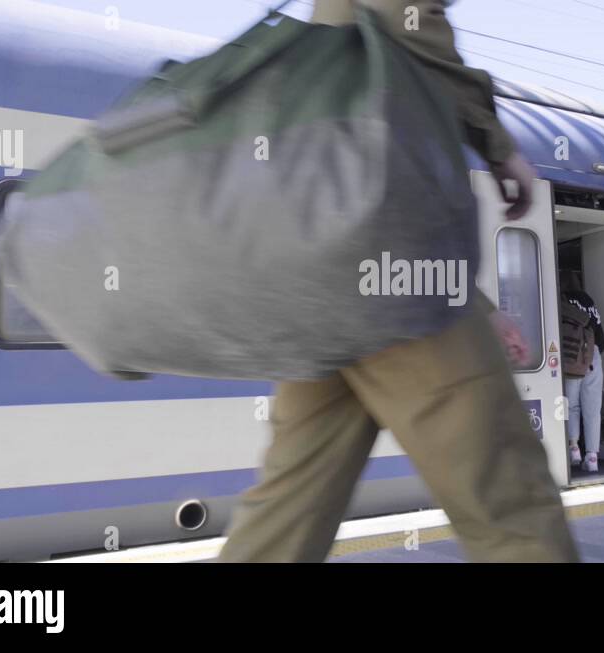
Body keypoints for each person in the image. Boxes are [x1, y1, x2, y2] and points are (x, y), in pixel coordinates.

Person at [218, 0, 579, 563]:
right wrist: (499, 146)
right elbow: (413, 31)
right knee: (510, 496)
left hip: (318, 268)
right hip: (391, 264)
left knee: (287, 507)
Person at [559, 272, 604, 472]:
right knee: (592, 409)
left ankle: (574, 448)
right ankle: (592, 457)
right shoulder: (588, 301)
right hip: (592, 355)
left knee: (572, 406)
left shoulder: (560, 300)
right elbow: (601, 338)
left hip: (570, 358)